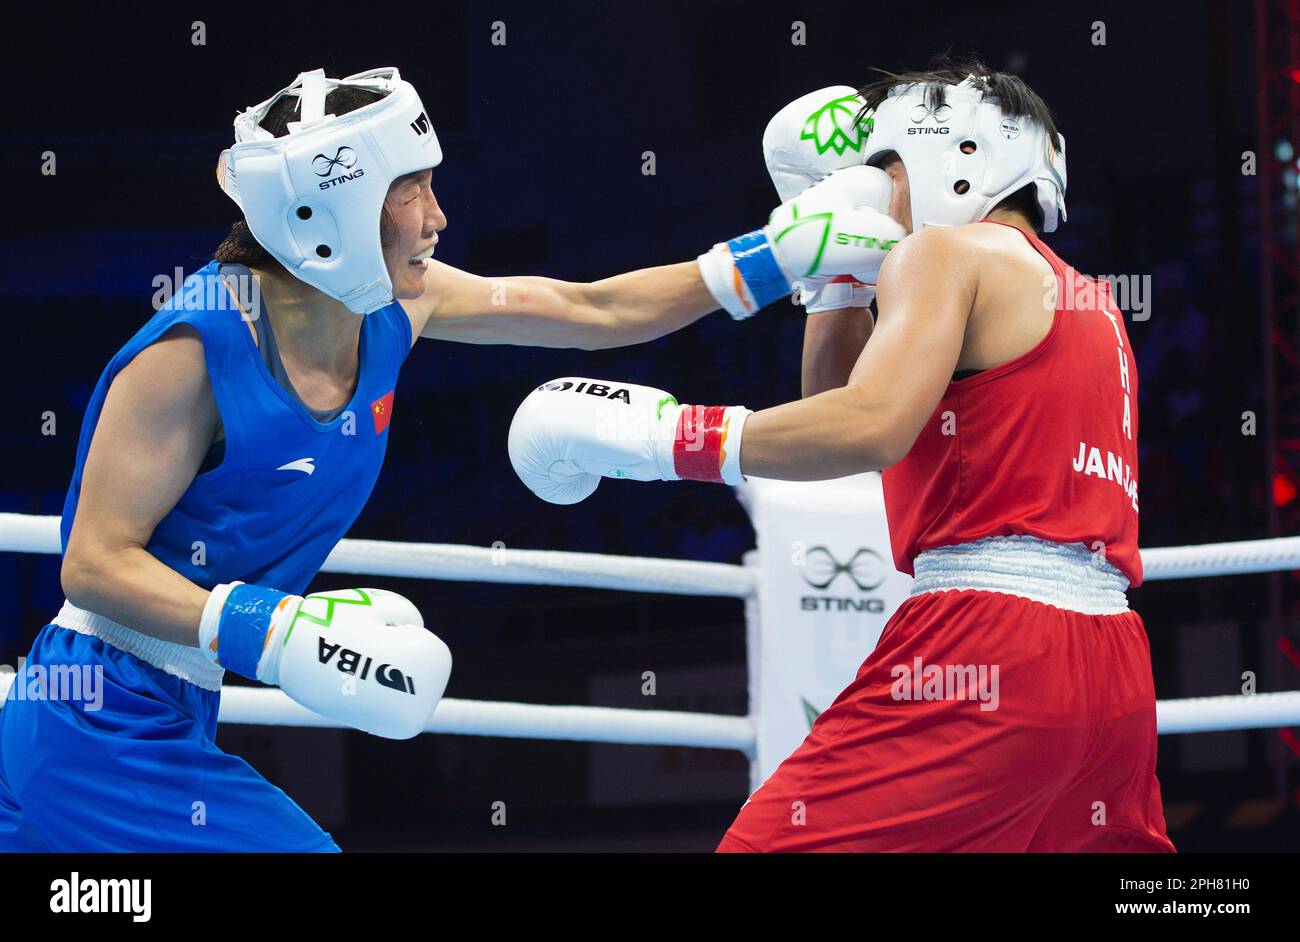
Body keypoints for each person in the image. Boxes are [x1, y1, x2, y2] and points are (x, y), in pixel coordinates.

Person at [0, 66, 886, 852]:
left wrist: (769, 261)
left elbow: (595, 310)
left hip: (160, 714)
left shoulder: (400, 306)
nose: (439, 216)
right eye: (412, 189)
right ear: (330, 211)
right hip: (95, 718)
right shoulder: (190, 352)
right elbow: (92, 564)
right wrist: (269, 631)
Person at [508, 59, 1176, 852]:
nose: (875, 191)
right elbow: (851, 405)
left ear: (958, 159)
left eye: (884, 168)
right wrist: (835, 280)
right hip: (1113, 664)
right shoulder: (1089, 299)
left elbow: (867, 426)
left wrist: (663, 439)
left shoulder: (945, 257)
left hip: (991, 640)